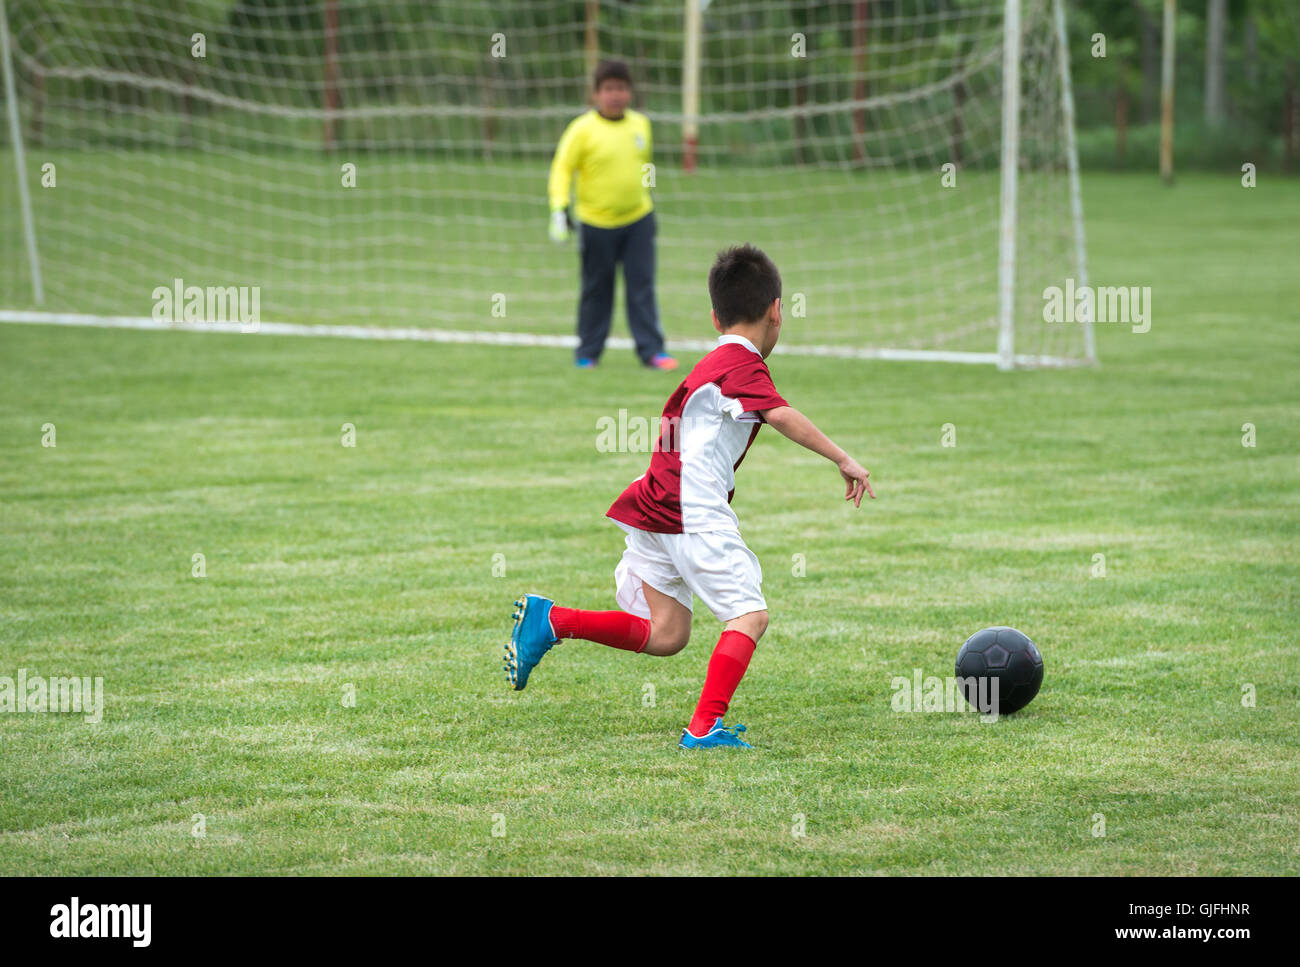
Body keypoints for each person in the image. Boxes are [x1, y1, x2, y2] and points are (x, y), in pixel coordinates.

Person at [502, 244, 876, 748]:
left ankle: (553, 621)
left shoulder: (712, 365)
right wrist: (843, 458)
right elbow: (780, 414)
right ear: (776, 311)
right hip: (688, 507)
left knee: (668, 633)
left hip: (656, 502)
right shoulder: (742, 365)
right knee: (750, 614)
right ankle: (704, 728)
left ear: (715, 316)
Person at [547, 59, 677, 371]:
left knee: (642, 287)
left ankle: (652, 351)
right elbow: (562, 169)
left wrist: (646, 196)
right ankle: (588, 352)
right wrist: (558, 209)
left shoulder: (640, 125)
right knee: (596, 289)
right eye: (608, 89)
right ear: (595, 93)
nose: (615, 95)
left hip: (638, 220)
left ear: (629, 92)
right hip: (595, 223)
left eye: (620, 88)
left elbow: (645, 167)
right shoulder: (581, 130)